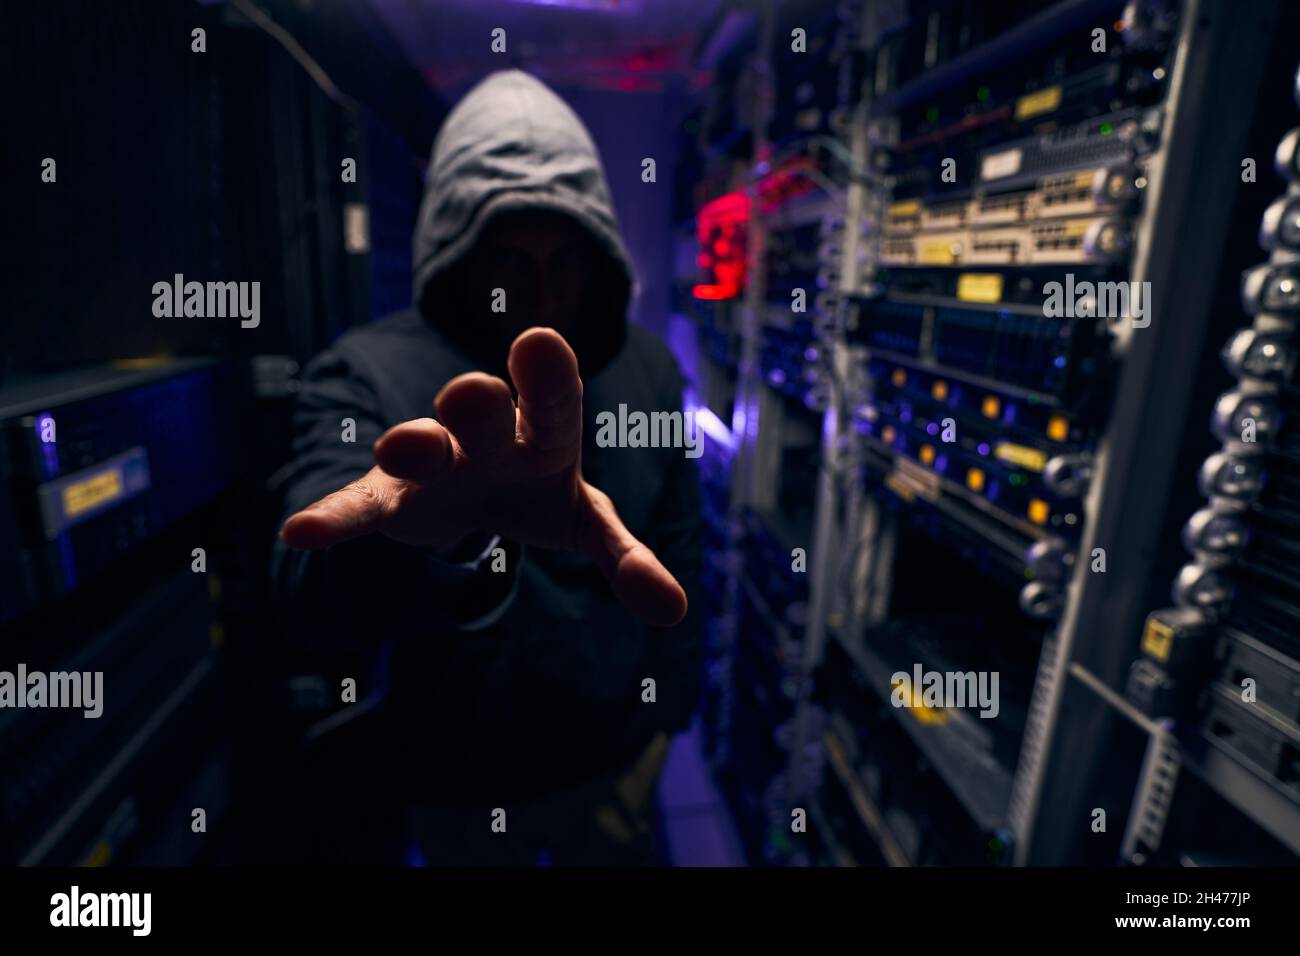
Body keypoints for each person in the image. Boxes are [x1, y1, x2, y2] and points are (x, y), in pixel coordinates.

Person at [271, 69, 702, 865]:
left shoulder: (647, 367)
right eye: (508, 260)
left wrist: (664, 729)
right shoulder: (366, 375)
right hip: (457, 786)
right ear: (456, 256)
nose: (542, 292)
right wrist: (433, 543)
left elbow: (680, 544)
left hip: (614, 768)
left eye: (567, 261)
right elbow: (309, 586)